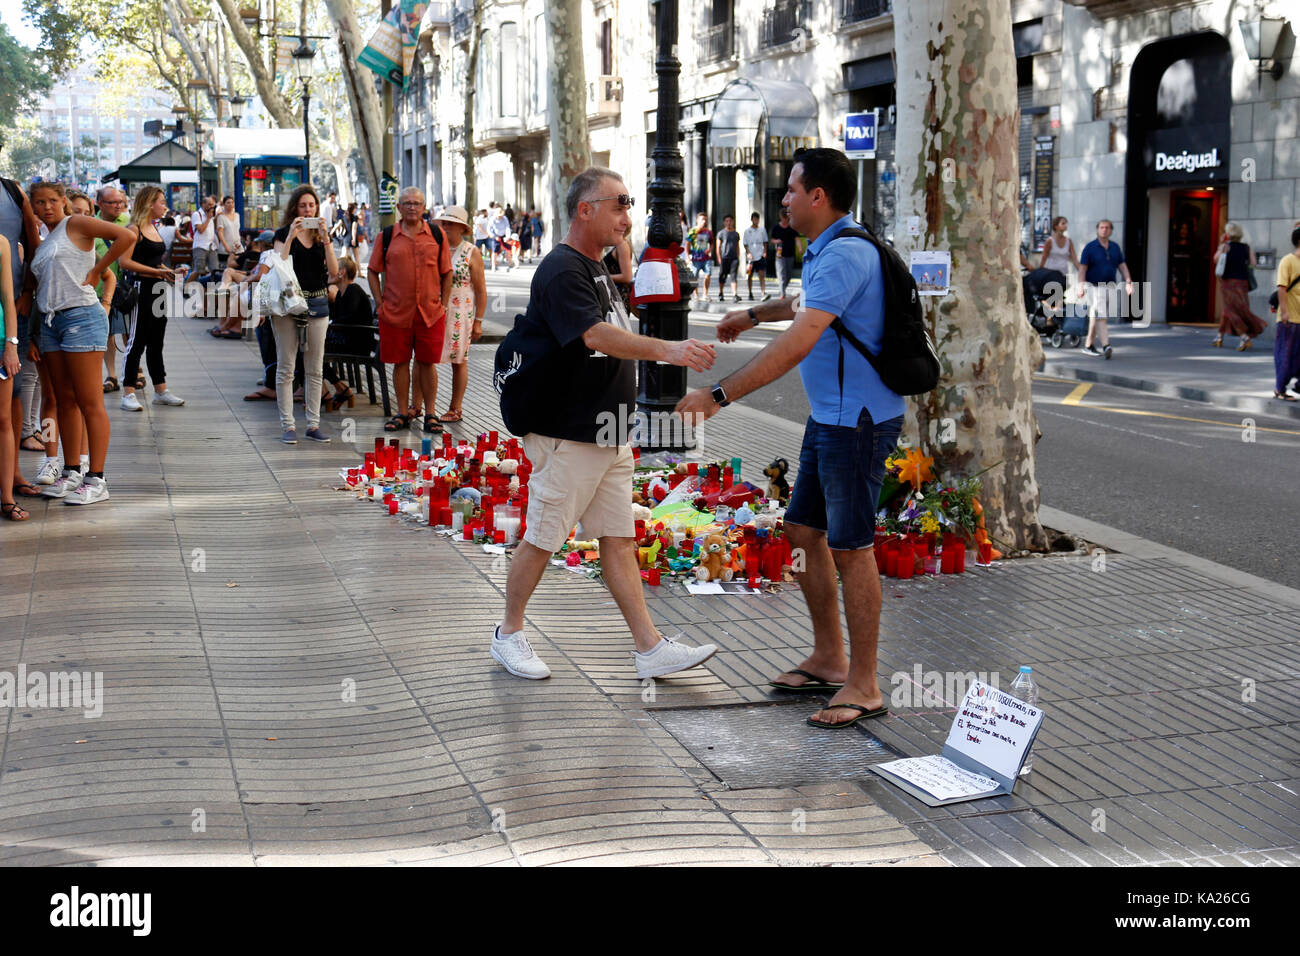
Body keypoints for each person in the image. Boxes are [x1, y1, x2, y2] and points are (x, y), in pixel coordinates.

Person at [675, 147, 906, 728]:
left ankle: (866, 682)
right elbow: (801, 302)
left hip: (857, 423)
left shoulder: (846, 254)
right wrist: (750, 315)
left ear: (818, 197)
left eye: (791, 190)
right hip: (830, 419)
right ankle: (830, 657)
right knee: (804, 532)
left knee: (852, 548)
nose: (784, 199)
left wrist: (717, 396)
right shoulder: (832, 247)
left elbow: (800, 340)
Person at [490, 166, 719, 681]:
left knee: (617, 539)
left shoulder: (596, 267)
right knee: (543, 536)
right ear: (584, 210)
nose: (628, 214)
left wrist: (626, 255)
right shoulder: (562, 269)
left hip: (606, 432)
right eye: (618, 204)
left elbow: (611, 325)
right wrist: (671, 350)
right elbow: (594, 336)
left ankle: (649, 648)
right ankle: (508, 633)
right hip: (570, 432)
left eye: (629, 204)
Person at [27, 180, 135, 505]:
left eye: (51, 201)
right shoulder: (43, 241)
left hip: (80, 317)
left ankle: (97, 479)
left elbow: (126, 236)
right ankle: (71, 470)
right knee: (64, 400)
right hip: (50, 321)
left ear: (63, 202)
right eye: (39, 202)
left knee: (90, 402)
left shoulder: (74, 223)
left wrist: (99, 270)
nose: (46, 207)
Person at [367, 186, 453, 434]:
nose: (412, 207)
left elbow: (447, 273)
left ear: (424, 207)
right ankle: (402, 412)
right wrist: (380, 304)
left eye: (416, 203)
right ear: (399, 208)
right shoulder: (386, 236)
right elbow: (373, 271)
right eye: (407, 203)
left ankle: (431, 413)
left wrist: (443, 305)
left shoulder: (437, 235)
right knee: (400, 363)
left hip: (430, 313)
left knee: (428, 364)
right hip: (395, 313)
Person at [272, 184, 339, 443]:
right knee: (287, 367)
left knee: (315, 368)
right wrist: (291, 235)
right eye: (303, 205)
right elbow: (280, 263)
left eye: (311, 205)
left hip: (318, 304)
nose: (308, 209)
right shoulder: (282, 233)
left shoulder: (322, 238)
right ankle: (288, 425)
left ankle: (313, 425)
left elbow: (333, 272)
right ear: (295, 209)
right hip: (289, 306)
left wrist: (327, 239)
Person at [117, 186, 183, 411]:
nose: (164, 206)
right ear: (149, 204)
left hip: (158, 289)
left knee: (156, 341)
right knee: (136, 340)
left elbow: (155, 261)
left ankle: (161, 390)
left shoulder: (154, 227)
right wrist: (157, 272)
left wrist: (169, 271)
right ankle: (128, 392)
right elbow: (124, 262)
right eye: (161, 202)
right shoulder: (134, 229)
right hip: (141, 288)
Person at [431, 205, 485, 423]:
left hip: (461, 310)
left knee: (459, 359)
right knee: (426, 358)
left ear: (461, 228)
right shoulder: (435, 248)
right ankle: (423, 407)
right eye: (443, 223)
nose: (445, 227)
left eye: (450, 224)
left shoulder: (471, 251)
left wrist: (479, 321)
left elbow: (481, 289)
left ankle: (456, 407)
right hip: (435, 309)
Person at [1076, 219, 1132, 358]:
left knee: (1095, 315)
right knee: (1101, 315)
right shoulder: (1090, 247)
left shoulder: (1115, 247)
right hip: (1094, 286)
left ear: (1111, 231)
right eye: (1101, 227)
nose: (1104, 230)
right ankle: (1106, 345)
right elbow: (1083, 268)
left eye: (1107, 228)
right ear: (1097, 230)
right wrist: (1080, 286)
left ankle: (1088, 345)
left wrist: (1128, 282)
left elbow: (1122, 266)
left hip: (1110, 286)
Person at [323, 255, 372, 411]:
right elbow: (336, 318)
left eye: (333, 268)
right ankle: (338, 388)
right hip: (346, 340)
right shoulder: (341, 293)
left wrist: (330, 324)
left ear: (341, 272)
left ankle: (333, 390)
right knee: (307, 349)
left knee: (309, 351)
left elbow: (347, 319)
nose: (328, 272)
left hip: (356, 344)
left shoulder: (353, 290)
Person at [95, 186, 130, 393]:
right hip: (100, 289)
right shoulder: (91, 224)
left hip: (125, 288)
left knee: (129, 331)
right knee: (106, 333)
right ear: (100, 203)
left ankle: (134, 371)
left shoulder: (129, 223)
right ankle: (112, 375)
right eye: (112, 202)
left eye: (120, 202)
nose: (118, 206)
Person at [1211, 223, 1266, 350]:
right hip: (1242, 283)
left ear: (1227, 234)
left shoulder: (1225, 246)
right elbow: (1254, 263)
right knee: (1229, 309)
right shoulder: (1246, 247)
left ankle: (1244, 337)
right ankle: (1219, 337)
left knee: (1231, 310)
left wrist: (1221, 246)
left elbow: (1215, 260)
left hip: (1228, 282)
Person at [0, 234, 23, 519]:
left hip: (0, 340)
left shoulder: (1, 242)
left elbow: (8, 296)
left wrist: (11, 344)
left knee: (3, 419)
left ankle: (6, 497)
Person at [1274, 226, 1300, 401]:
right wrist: (1284, 312)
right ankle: (1280, 388)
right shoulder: (1287, 261)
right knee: (1287, 355)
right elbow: (1282, 288)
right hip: (1290, 317)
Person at [602, 223, 635, 314]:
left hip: (618, 298)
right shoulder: (618, 244)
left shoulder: (622, 245)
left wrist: (603, 276)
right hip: (615, 297)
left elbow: (627, 276)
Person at [769, 209, 798, 299]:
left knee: (788, 275)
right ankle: (782, 293)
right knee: (781, 274)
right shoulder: (776, 228)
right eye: (784, 218)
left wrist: (800, 248)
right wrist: (776, 241)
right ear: (781, 217)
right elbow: (772, 239)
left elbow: (796, 238)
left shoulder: (792, 227)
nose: (785, 220)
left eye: (787, 218)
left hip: (790, 253)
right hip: (780, 255)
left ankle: (782, 288)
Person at [743, 211, 769, 301]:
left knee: (761, 275)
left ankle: (763, 292)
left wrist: (765, 252)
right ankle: (750, 292)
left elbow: (765, 242)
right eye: (754, 219)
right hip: (751, 257)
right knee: (749, 275)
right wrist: (748, 253)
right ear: (752, 220)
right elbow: (745, 244)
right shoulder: (747, 231)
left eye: (757, 219)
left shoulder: (762, 230)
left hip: (760, 255)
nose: (756, 220)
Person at [687, 212, 713, 302]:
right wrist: (687, 256)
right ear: (697, 220)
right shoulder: (692, 231)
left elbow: (712, 243)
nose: (704, 221)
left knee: (708, 275)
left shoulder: (708, 232)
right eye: (702, 219)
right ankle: (696, 295)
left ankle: (705, 294)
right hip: (695, 258)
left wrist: (709, 250)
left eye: (705, 219)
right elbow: (687, 244)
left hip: (706, 258)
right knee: (694, 277)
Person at [191, 195, 218, 277]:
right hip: (200, 246)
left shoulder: (210, 215)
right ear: (203, 204)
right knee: (199, 271)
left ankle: (211, 288)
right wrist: (208, 218)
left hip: (211, 246)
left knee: (215, 270)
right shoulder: (197, 214)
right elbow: (201, 230)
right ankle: (188, 286)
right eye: (209, 204)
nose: (211, 207)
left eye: (212, 205)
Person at [715, 214, 741, 303]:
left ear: (733, 222)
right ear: (724, 222)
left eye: (730, 221)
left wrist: (738, 256)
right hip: (724, 257)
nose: (729, 223)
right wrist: (719, 257)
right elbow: (718, 247)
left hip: (734, 258)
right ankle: (721, 293)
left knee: (733, 276)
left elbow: (737, 246)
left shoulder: (736, 234)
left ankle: (734, 294)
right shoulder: (721, 233)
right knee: (722, 276)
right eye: (727, 221)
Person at [216, 195, 242, 265]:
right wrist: (226, 247)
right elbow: (220, 232)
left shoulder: (237, 215)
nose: (231, 204)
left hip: (238, 247)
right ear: (224, 205)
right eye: (228, 203)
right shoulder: (221, 217)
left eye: (232, 202)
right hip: (226, 249)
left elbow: (237, 230)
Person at [490, 205, 512, 270]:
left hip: (503, 236)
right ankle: (493, 266)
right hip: (495, 236)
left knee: (508, 249)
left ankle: (510, 263)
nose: (500, 217)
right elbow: (489, 229)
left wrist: (508, 236)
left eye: (501, 215)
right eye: (499, 215)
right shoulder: (492, 219)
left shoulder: (505, 218)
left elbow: (507, 227)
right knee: (495, 251)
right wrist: (494, 236)